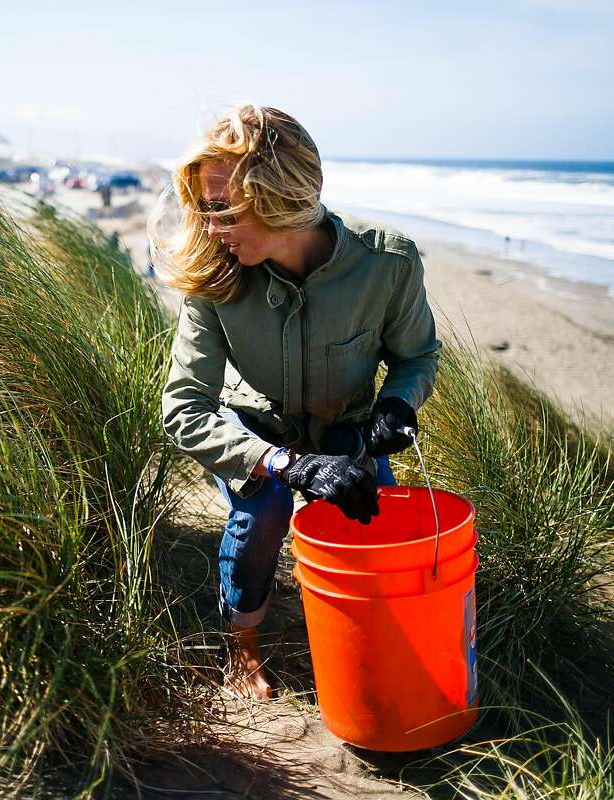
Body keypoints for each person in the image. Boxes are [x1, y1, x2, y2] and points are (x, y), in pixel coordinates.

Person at [153, 105, 441, 699]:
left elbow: (416, 358)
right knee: (264, 511)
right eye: (202, 206)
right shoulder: (214, 276)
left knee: (375, 516)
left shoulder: (389, 265)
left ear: (279, 199)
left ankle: (373, 639)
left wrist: (397, 406)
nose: (208, 226)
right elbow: (184, 407)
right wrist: (283, 462)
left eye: (222, 208)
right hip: (253, 432)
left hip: (348, 432)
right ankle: (242, 645)